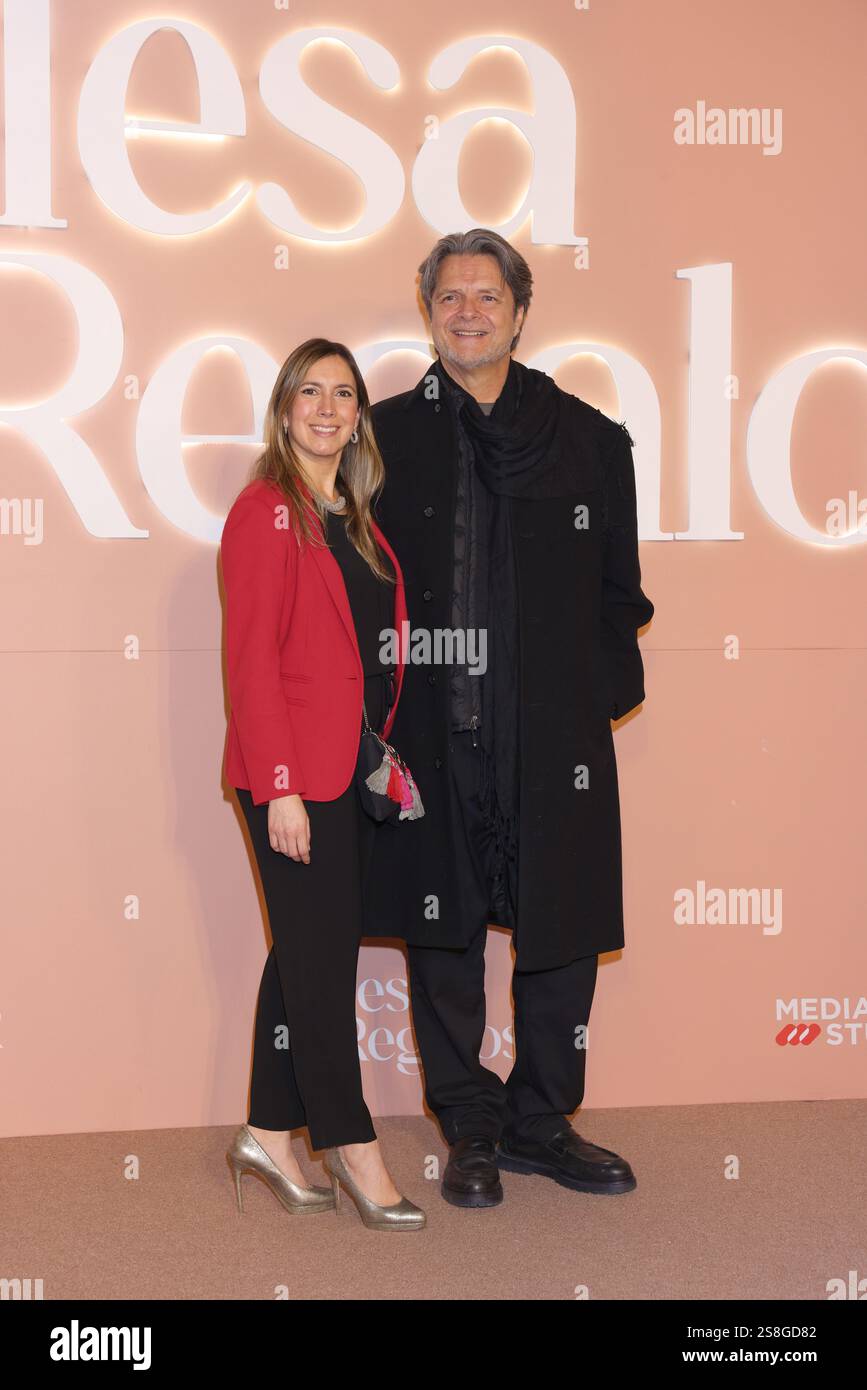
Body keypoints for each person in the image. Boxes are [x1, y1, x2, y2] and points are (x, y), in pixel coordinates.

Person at [366, 229, 655, 1207]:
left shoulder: (589, 436)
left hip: (553, 745)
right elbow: (360, 590)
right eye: (450, 296)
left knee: (562, 935)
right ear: (429, 313)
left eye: (488, 295)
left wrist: (582, 709)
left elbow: (623, 599)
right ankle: (471, 1126)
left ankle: (542, 1122)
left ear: (521, 312)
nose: (469, 311)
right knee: (443, 937)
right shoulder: (384, 436)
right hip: (434, 739)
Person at [221, 338, 425, 1232]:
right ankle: (350, 1143)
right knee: (321, 957)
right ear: (284, 407)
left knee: (305, 950)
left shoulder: (353, 517)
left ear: (358, 416)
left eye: (344, 393)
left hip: (345, 767)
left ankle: (268, 1131)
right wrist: (281, 787)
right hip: (292, 776)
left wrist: (373, 750)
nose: (328, 407)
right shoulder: (266, 511)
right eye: (311, 391)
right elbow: (250, 664)